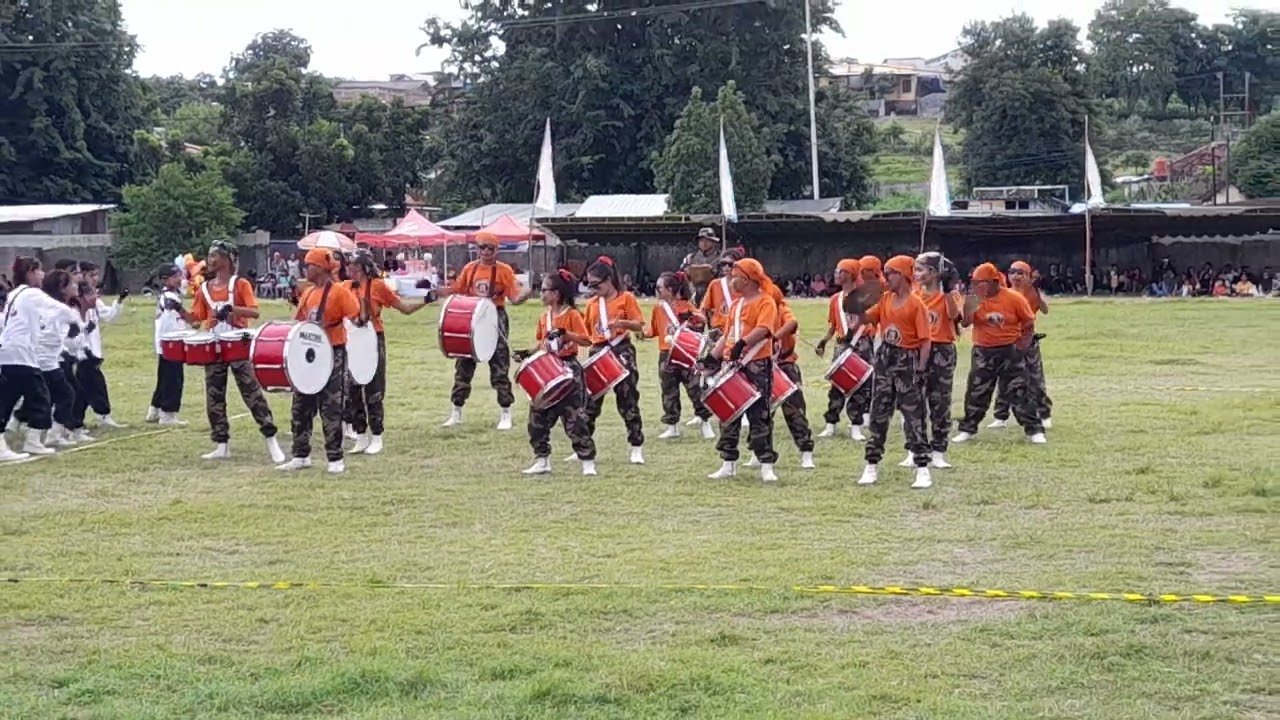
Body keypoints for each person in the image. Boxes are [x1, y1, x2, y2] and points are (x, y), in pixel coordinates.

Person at [190, 240, 286, 463]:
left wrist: (232, 310)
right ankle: (221, 443)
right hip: (214, 343)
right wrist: (181, 314)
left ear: (227, 259)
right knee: (214, 395)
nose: (210, 260)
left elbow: (254, 312)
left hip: (238, 343)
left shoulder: (240, 284)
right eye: (209, 256)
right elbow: (197, 318)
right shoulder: (204, 288)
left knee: (251, 392)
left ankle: (271, 439)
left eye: (214, 256)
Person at [851, 255, 933, 489]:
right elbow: (866, 319)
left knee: (914, 415)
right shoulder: (885, 299)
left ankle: (922, 468)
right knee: (879, 412)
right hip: (886, 358)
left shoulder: (916, 304)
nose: (886, 278)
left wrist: (920, 369)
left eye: (891, 273)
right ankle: (871, 464)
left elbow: (925, 341)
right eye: (885, 273)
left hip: (908, 359)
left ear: (904, 275)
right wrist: (859, 305)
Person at [341, 249, 432, 455]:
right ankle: (360, 435)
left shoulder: (378, 286)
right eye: (349, 266)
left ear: (364, 267)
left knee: (373, 388)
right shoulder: (345, 286)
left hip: (373, 339)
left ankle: (377, 436)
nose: (350, 269)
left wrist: (426, 300)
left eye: (354, 266)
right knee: (352, 389)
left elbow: (404, 308)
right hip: (352, 339)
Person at [278, 247, 360, 473]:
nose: (305, 269)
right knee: (301, 405)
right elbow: (300, 321)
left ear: (322, 267)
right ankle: (300, 455)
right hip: (309, 355)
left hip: (333, 352)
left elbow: (356, 317)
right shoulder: (307, 293)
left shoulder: (340, 293)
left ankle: (335, 458)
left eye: (309, 265)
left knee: (331, 406)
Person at [436, 231, 528, 430]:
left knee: (499, 367)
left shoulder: (504, 270)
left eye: (490, 248)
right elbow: (457, 290)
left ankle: (505, 413)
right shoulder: (470, 268)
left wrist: (526, 293)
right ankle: (456, 412)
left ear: (497, 250)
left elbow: (514, 297)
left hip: (495, 317)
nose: (485, 252)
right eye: (482, 247)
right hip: (472, 317)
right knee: (463, 366)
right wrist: (438, 291)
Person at [515, 268, 597, 476]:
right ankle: (542, 460)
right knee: (537, 416)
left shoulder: (572, 315)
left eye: (545, 290)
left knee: (574, 418)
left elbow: (586, 340)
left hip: (568, 368)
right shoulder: (544, 318)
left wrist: (566, 334)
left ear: (556, 294)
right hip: (548, 369)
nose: (541, 294)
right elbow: (542, 343)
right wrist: (527, 353)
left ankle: (587, 461)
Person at [953, 263, 1046, 445]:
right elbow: (964, 324)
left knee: (1019, 390)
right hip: (983, 351)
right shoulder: (974, 298)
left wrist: (1023, 345)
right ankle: (968, 429)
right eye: (975, 282)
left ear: (995, 282)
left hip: (1009, 349)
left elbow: (1028, 322)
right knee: (976, 392)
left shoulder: (1014, 298)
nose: (978, 286)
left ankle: (1034, 429)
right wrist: (971, 308)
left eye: (983, 282)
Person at [705, 258, 780, 482]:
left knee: (760, 414)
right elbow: (727, 335)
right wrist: (712, 357)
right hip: (732, 365)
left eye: (735, 276)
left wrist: (742, 344)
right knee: (728, 414)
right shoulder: (736, 305)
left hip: (756, 364)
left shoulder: (766, 302)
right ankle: (728, 462)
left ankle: (766, 464)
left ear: (747, 280)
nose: (731, 281)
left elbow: (764, 329)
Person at [579, 257, 646, 464]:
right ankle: (583, 445)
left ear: (608, 280)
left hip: (621, 349)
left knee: (627, 398)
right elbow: (587, 333)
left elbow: (639, 324)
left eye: (596, 284)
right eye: (589, 284)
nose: (593, 289)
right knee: (590, 401)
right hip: (598, 351)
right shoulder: (591, 305)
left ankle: (636, 446)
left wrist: (621, 323)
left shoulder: (626, 298)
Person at [898, 252, 960, 469]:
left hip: (941, 350)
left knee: (940, 403)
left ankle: (938, 451)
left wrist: (948, 290)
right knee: (912, 403)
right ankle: (913, 449)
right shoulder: (913, 296)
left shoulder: (950, 295)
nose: (916, 274)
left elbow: (953, 315)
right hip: (916, 350)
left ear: (934, 272)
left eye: (920, 269)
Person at [648, 270, 715, 441]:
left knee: (695, 388)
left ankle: (705, 421)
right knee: (668, 391)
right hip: (666, 354)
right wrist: (640, 332)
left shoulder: (686, 305)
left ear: (670, 289)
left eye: (660, 288)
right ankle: (672, 426)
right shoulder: (658, 308)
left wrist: (690, 316)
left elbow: (702, 319)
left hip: (685, 352)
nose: (657, 291)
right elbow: (653, 330)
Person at [0, 257, 53, 460]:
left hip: (13, 354)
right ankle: (33, 441)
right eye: (39, 271)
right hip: (20, 356)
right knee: (40, 396)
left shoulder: (15, 295)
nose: (42, 275)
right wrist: (72, 317)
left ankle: (28, 440)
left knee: (8, 398)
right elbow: (54, 308)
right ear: (30, 272)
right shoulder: (30, 294)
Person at [991, 260, 1053, 430]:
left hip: (1028, 341)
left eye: (1021, 273)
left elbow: (1045, 310)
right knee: (1005, 379)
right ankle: (1000, 416)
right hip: (1008, 341)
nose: (1016, 276)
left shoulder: (1032, 292)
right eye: (1012, 272)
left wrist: (1037, 293)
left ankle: (1044, 413)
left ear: (1028, 276)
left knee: (1035, 379)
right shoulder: (1004, 293)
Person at [30, 270, 87, 449]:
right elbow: (59, 331)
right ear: (62, 288)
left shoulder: (52, 307)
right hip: (47, 360)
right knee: (64, 395)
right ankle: (48, 434)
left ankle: (50, 432)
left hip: (50, 358)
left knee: (55, 396)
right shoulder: (59, 309)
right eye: (71, 284)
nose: (75, 287)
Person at [814, 258, 863, 439]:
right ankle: (831, 424)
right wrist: (824, 341)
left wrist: (853, 335)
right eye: (836, 271)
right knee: (836, 385)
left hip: (859, 345)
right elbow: (833, 326)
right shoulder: (835, 299)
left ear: (850, 274)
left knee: (857, 387)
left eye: (840, 271)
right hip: (841, 345)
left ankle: (856, 426)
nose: (836, 274)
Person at [769, 296, 816, 469]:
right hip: (763, 368)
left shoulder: (781, 309)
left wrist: (774, 338)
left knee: (795, 411)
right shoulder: (751, 307)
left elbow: (792, 323)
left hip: (785, 366)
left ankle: (806, 452)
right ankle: (758, 452)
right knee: (762, 414)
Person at [146, 264, 189, 426]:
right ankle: (168, 414)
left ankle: (155, 409)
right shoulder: (168, 298)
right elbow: (179, 315)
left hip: (167, 343)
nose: (179, 279)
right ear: (165, 280)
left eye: (179, 275)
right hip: (171, 343)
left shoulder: (172, 295)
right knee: (173, 378)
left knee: (164, 377)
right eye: (175, 276)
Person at [681, 228, 723, 302]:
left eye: (708, 240)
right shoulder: (690, 258)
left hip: (715, 294)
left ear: (713, 242)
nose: (704, 243)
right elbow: (682, 276)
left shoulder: (721, 258)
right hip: (693, 294)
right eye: (701, 240)